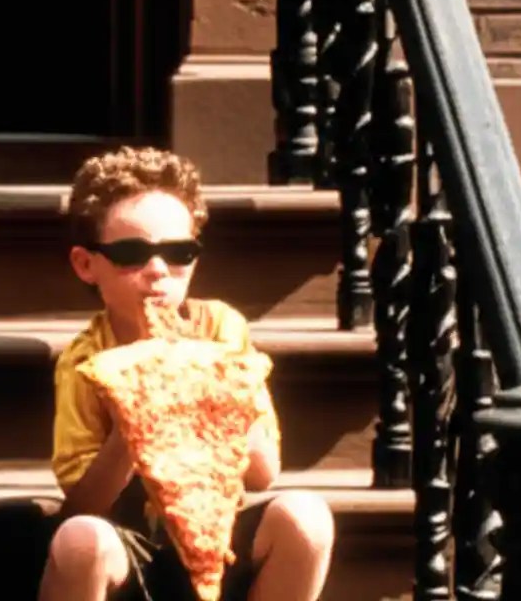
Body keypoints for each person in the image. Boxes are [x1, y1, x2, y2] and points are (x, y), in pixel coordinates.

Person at [37, 147, 336, 601]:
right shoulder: (87, 361)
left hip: (218, 538)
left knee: (307, 518)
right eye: (132, 253)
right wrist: (131, 426)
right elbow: (82, 505)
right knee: (80, 541)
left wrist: (220, 387)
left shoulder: (222, 330)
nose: (157, 271)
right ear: (86, 264)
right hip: (127, 549)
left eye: (178, 252)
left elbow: (262, 474)